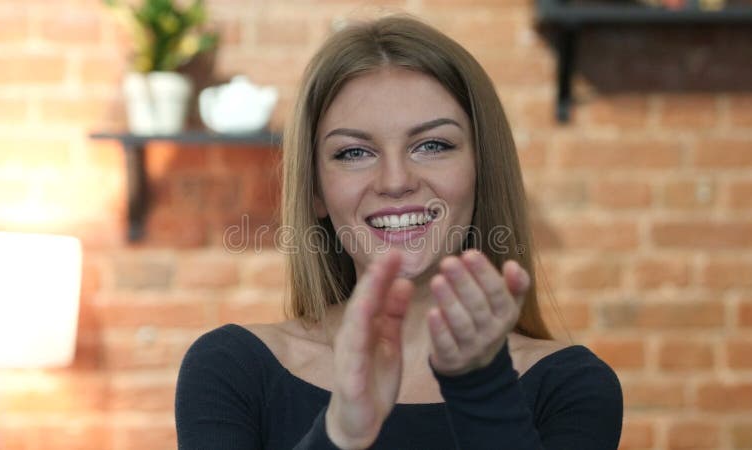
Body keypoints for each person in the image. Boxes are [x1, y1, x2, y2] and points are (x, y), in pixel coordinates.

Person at [175, 15, 623, 450]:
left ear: (482, 171)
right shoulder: (232, 369)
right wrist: (340, 435)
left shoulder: (570, 386)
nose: (395, 181)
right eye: (353, 152)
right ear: (315, 191)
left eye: (432, 145)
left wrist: (482, 389)